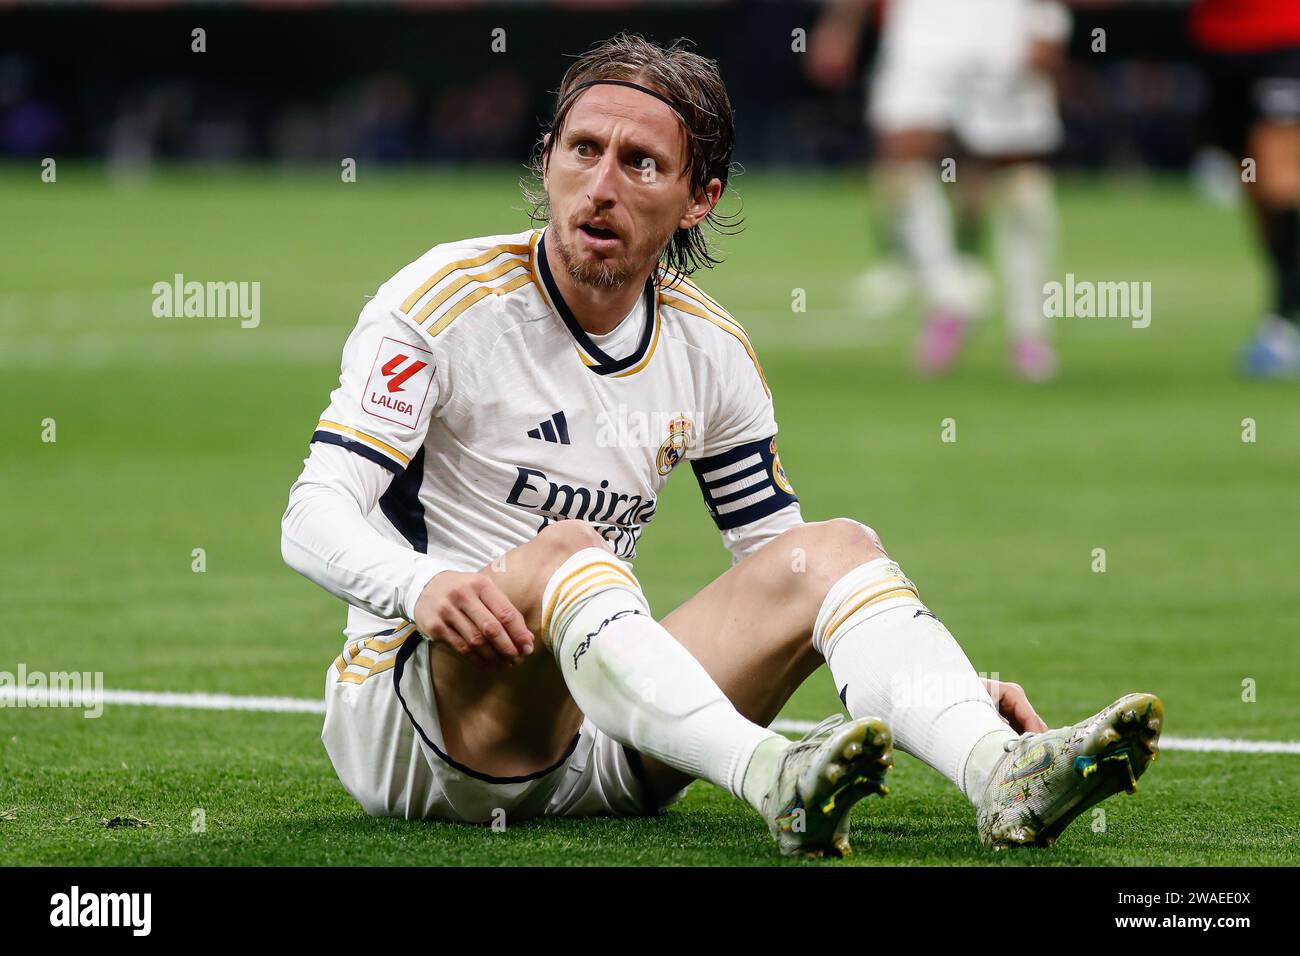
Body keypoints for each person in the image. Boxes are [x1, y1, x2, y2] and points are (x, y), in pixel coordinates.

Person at [281, 33, 1162, 856]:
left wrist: (957, 691)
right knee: (570, 553)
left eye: (641, 164)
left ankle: (1001, 772)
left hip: (602, 740)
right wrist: (422, 584)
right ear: (546, 158)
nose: (601, 186)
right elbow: (312, 513)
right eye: (583, 150)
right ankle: (771, 774)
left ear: (700, 197)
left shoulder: (711, 349)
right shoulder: (444, 302)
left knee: (835, 551)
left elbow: (782, 575)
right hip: (422, 729)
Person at [809, 0, 1071, 381]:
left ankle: (1029, 332)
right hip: (924, 25)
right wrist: (841, 24)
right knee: (900, 157)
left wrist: (1050, 23)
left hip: (1003, 21)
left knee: (1019, 179)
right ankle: (949, 296)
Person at [1193, 0, 1300, 377]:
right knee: (1254, 185)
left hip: (1286, 38)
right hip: (1219, 45)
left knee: (1277, 175)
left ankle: (1282, 325)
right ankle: (1284, 310)